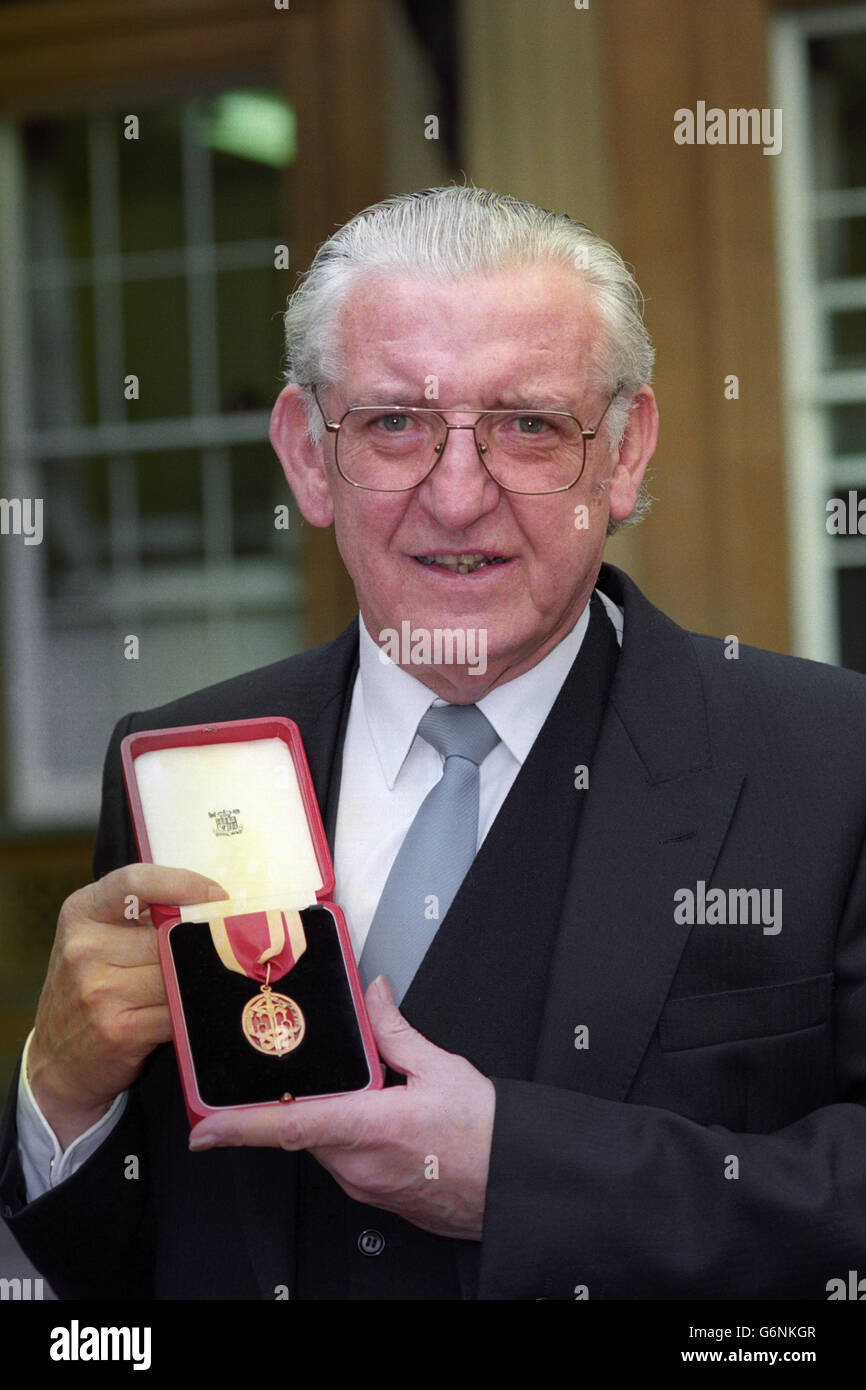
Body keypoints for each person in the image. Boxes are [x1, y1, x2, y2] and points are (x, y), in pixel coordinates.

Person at [2, 186, 865, 1300]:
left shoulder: (828, 763)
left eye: (528, 424)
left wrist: (520, 1176)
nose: (457, 498)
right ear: (309, 457)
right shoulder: (177, 764)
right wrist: (62, 1098)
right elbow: (134, 1275)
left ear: (626, 452)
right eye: (393, 424)